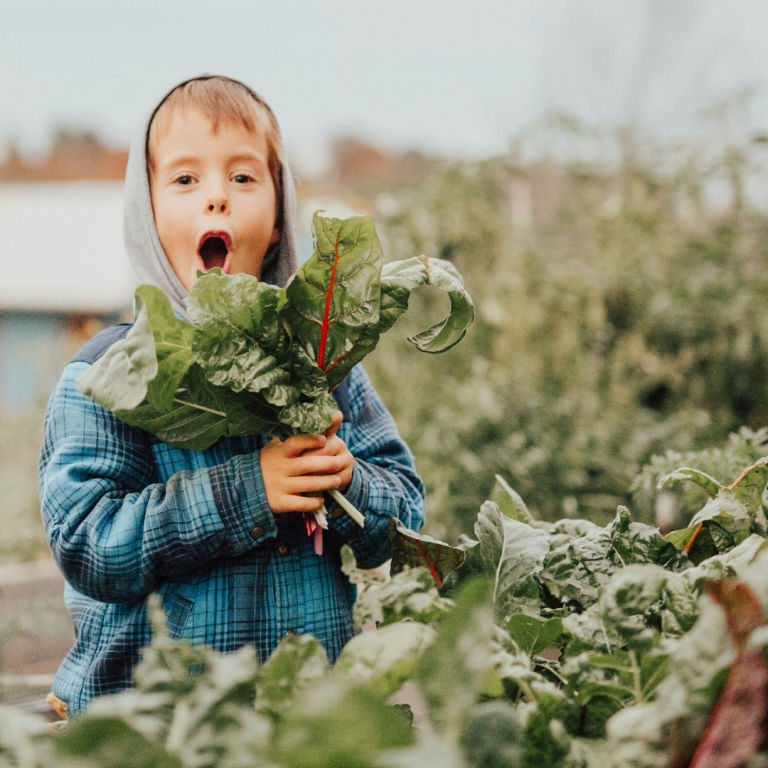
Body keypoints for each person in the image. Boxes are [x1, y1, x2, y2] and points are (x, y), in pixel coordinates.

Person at [38, 75, 425, 715]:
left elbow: (407, 512)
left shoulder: (324, 363)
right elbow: (87, 543)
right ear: (149, 214)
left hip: (299, 724)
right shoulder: (110, 374)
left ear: (277, 219)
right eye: (186, 180)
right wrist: (251, 489)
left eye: (243, 179)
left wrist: (349, 480)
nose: (216, 196)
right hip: (154, 728)